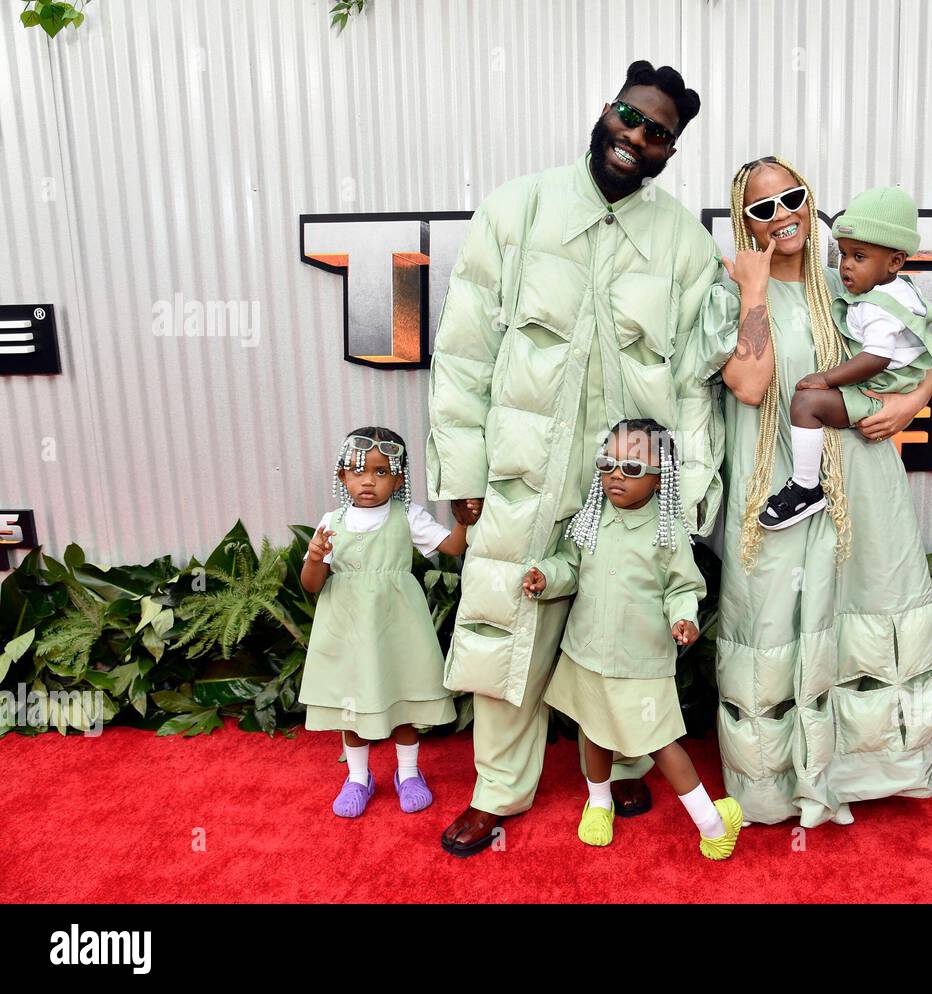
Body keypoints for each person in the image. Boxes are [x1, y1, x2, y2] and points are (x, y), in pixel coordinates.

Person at [426, 62, 723, 857]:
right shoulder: (517, 208)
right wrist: (460, 473)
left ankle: (627, 757)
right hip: (527, 467)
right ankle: (498, 791)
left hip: (634, 483)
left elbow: (696, 385)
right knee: (507, 620)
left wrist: (691, 492)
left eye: (656, 131)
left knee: (626, 625)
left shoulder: (685, 244)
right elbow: (461, 354)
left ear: (670, 148)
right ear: (606, 110)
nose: (635, 137)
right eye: (629, 117)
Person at [698, 157, 932, 828]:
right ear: (743, 220)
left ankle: (860, 773)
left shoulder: (850, 285)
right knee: (772, 616)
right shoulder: (727, 295)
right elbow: (749, 387)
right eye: (762, 208)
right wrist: (752, 291)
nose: (782, 216)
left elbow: (920, 349)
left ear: (812, 202)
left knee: (860, 602)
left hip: (858, 476)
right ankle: (777, 787)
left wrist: (917, 401)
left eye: (793, 198)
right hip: (771, 488)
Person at [523, 419, 743, 859]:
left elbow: (683, 588)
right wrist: (545, 576)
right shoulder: (590, 519)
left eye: (632, 467)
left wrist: (684, 618)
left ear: (662, 475)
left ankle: (713, 823)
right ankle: (599, 802)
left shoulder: (668, 532)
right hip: (587, 651)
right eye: (608, 463)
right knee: (595, 730)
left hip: (641, 658)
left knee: (659, 741)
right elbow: (570, 568)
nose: (616, 475)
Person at [299, 427, 477, 818]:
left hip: (397, 629)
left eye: (382, 472)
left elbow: (451, 548)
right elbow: (312, 586)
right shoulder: (332, 522)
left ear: (399, 478)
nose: (368, 481)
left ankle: (409, 773)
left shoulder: (407, 516)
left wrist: (464, 521)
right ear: (342, 475)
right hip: (347, 630)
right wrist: (314, 558)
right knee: (352, 705)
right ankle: (358, 778)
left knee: (402, 701)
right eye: (358, 471)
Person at [758, 185, 932, 531]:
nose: (845, 266)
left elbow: (878, 358)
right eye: (843, 254)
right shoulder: (894, 290)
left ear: (895, 261)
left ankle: (805, 486)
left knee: (806, 402)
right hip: (875, 403)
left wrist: (827, 379)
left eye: (859, 257)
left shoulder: (877, 305)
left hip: (876, 399)